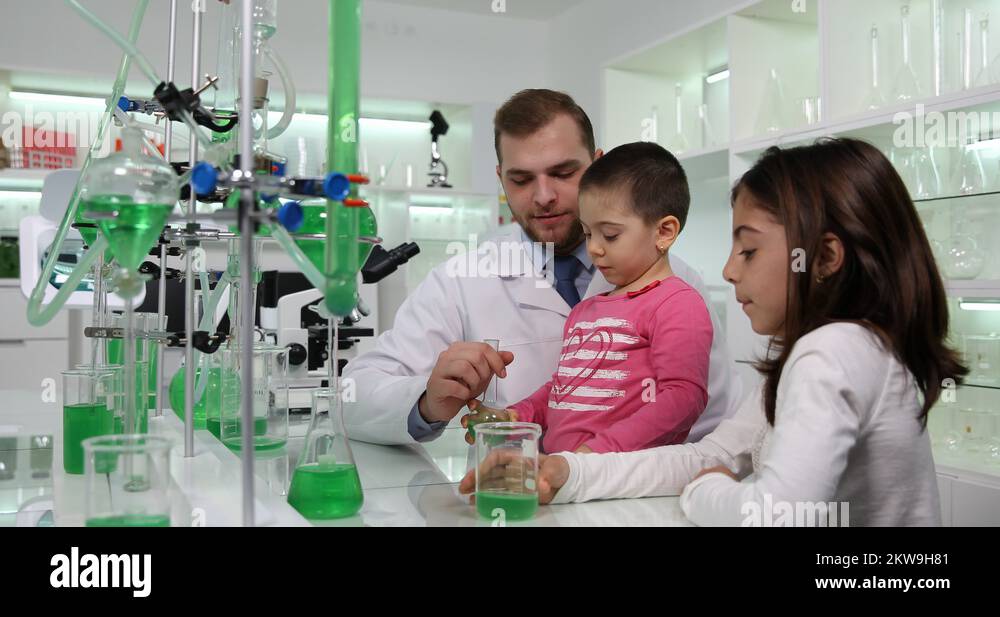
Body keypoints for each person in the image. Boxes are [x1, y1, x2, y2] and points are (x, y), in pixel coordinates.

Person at [461, 138, 968, 527]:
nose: (728, 270)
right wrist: (565, 474)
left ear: (825, 258)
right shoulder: (838, 352)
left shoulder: (831, 351)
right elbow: (709, 456)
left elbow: (768, 514)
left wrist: (707, 492)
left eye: (748, 250)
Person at [341, 89, 741, 446]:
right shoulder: (460, 281)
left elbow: (714, 422)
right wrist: (427, 402)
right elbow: (354, 396)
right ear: (501, 180)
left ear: (597, 165)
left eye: (564, 173)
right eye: (521, 180)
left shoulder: (677, 283)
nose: (544, 196)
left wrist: (602, 471)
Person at [462, 142, 712, 455]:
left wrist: (597, 455)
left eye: (609, 235)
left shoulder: (676, 304)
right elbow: (561, 390)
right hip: (567, 473)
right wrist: (514, 417)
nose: (593, 248)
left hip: (624, 480)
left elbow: (683, 397)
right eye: (588, 233)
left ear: (664, 232)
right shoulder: (586, 311)